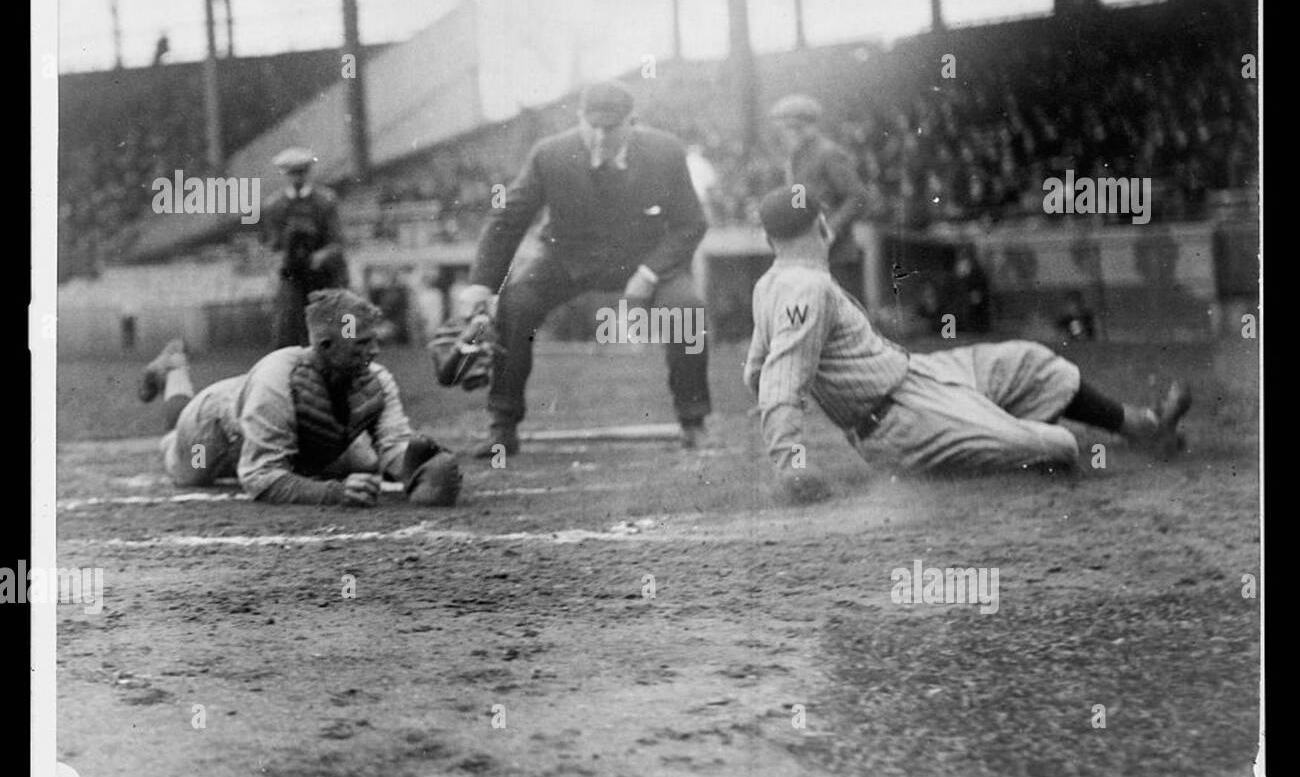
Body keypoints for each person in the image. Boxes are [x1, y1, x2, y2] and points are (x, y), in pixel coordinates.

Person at [743, 189, 1190, 502]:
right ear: (824, 226)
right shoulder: (806, 288)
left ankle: (1143, 426)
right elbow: (781, 382)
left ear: (768, 240)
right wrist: (790, 464)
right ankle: (975, 466)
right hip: (902, 422)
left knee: (1030, 363)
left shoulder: (770, 286)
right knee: (1058, 446)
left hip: (916, 379)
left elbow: (758, 375)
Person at [456, 80, 712, 455]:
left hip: (643, 259)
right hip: (566, 258)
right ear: (578, 119)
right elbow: (508, 219)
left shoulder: (666, 151)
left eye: (611, 127)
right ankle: (502, 424)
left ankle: (693, 420)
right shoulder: (549, 155)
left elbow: (692, 222)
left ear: (632, 121)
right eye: (592, 125)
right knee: (516, 304)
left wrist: (649, 273)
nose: (600, 135)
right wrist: (481, 285)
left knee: (685, 309)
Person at [136, 289, 460, 507]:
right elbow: (260, 478)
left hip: (286, 436)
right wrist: (333, 493)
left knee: (367, 461)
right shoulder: (275, 382)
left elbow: (392, 444)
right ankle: (174, 368)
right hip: (218, 428)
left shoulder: (376, 379)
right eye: (361, 344)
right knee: (183, 466)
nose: (374, 351)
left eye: (373, 341)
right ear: (326, 346)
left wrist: (418, 467)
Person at [769, 94, 877, 298]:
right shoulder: (795, 159)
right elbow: (799, 203)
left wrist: (830, 230)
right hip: (809, 258)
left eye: (789, 128)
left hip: (837, 258)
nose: (784, 135)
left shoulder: (828, 154)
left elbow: (858, 197)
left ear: (802, 127)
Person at [260, 147, 349, 348]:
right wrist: (283, 259)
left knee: (336, 330)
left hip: (325, 275)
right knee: (286, 331)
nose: (296, 178)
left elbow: (337, 242)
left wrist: (320, 257)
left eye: (301, 172)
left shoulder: (325, 200)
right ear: (284, 174)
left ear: (309, 172)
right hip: (293, 276)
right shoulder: (274, 205)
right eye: (291, 173)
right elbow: (273, 245)